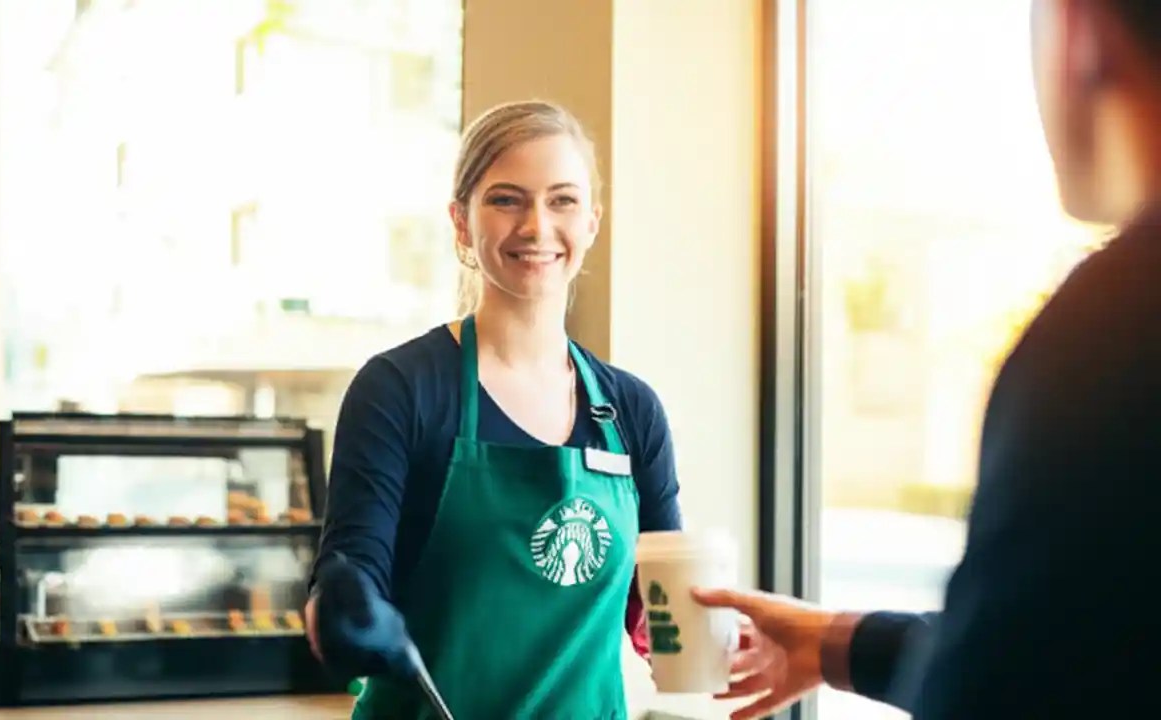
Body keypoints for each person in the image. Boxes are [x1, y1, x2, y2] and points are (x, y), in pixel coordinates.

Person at [694, 1, 1161, 718]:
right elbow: (1083, 650)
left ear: (1079, 32)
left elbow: (1002, 695)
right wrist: (839, 640)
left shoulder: (1109, 334)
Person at [304, 100, 683, 718]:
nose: (536, 226)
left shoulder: (631, 410)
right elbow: (352, 572)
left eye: (562, 200)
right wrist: (347, 616)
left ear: (592, 221)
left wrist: (726, 635)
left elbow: (662, 614)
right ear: (461, 222)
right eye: (507, 199)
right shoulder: (401, 389)